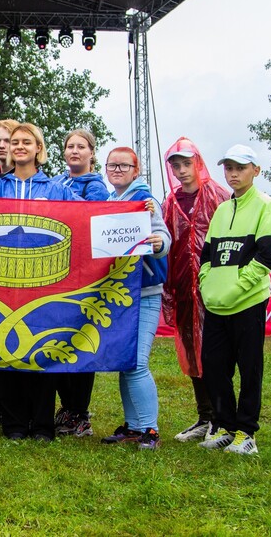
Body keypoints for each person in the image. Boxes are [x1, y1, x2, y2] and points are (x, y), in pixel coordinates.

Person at [0, 123, 81, 441]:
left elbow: (91, 214)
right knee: (6, 346)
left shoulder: (57, 191)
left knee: (42, 348)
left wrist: (136, 209)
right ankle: (13, 425)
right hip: (2, 282)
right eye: (15, 142)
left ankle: (42, 425)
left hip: (43, 282)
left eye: (27, 141)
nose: (20, 146)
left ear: (39, 148)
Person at [197, 145, 271, 455]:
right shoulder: (221, 210)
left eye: (240, 168)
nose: (233, 173)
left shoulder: (264, 205)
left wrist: (237, 287)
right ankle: (225, 426)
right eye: (229, 167)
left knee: (249, 368)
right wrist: (206, 284)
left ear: (255, 171)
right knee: (214, 367)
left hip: (248, 302)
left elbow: (265, 257)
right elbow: (207, 255)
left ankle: (247, 432)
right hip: (216, 303)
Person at [98, 147, 170, 450]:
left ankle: (150, 430)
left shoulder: (145, 200)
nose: (117, 170)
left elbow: (164, 238)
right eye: (112, 165)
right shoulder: (109, 202)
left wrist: (158, 243)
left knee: (137, 362)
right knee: (126, 361)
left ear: (135, 170)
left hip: (145, 292)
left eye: (123, 166)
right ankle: (133, 425)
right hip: (121, 293)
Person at [161, 137, 231, 442]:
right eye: (176, 165)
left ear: (198, 163)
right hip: (183, 287)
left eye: (186, 163)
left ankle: (221, 417)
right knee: (190, 351)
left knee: (214, 353)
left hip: (213, 287)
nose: (181, 170)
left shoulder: (218, 195)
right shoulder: (171, 202)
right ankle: (205, 416)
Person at [50, 128, 110, 438]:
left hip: (83, 273)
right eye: (70, 146)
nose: (75, 151)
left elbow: (91, 222)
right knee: (57, 339)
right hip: (56, 269)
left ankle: (80, 412)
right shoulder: (56, 182)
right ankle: (67, 407)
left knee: (80, 340)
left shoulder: (96, 187)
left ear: (91, 153)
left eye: (81, 146)